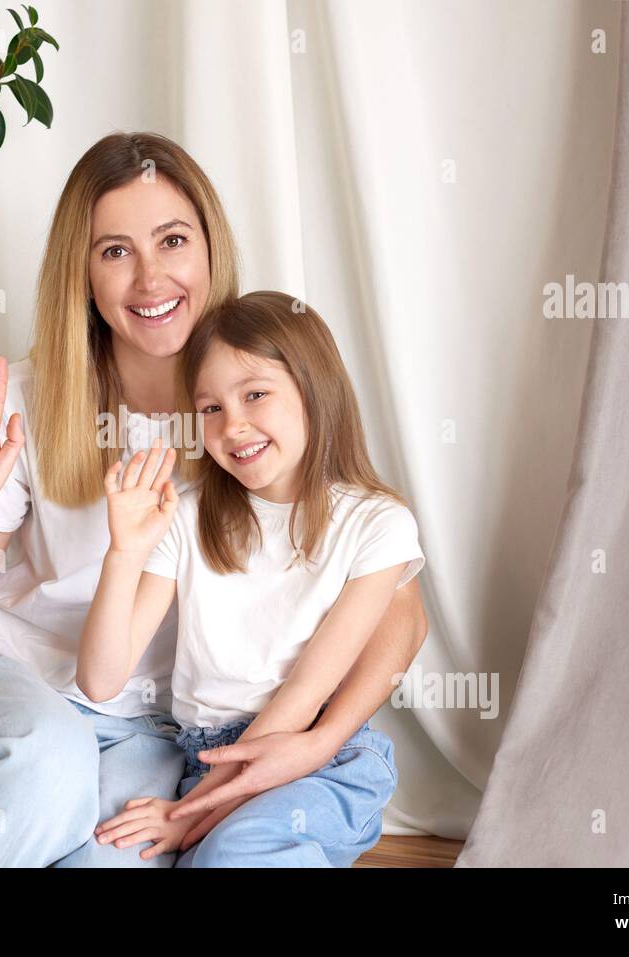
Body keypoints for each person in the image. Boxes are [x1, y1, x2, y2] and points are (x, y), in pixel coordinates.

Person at [0, 132, 429, 867]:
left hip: (149, 731)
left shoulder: (252, 409)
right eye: (114, 251)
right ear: (80, 273)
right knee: (48, 763)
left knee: (111, 857)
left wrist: (316, 743)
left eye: (172, 240)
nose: (150, 277)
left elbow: (399, 605)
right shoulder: (24, 401)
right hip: (1, 680)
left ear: (210, 248)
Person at [78, 291, 424, 866]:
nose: (233, 426)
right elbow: (99, 679)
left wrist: (188, 815)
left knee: (237, 851)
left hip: (314, 760)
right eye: (211, 408)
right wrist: (124, 552)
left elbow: (304, 696)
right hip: (204, 760)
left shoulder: (376, 524)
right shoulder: (184, 517)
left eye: (256, 395)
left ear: (315, 390)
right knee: (113, 850)